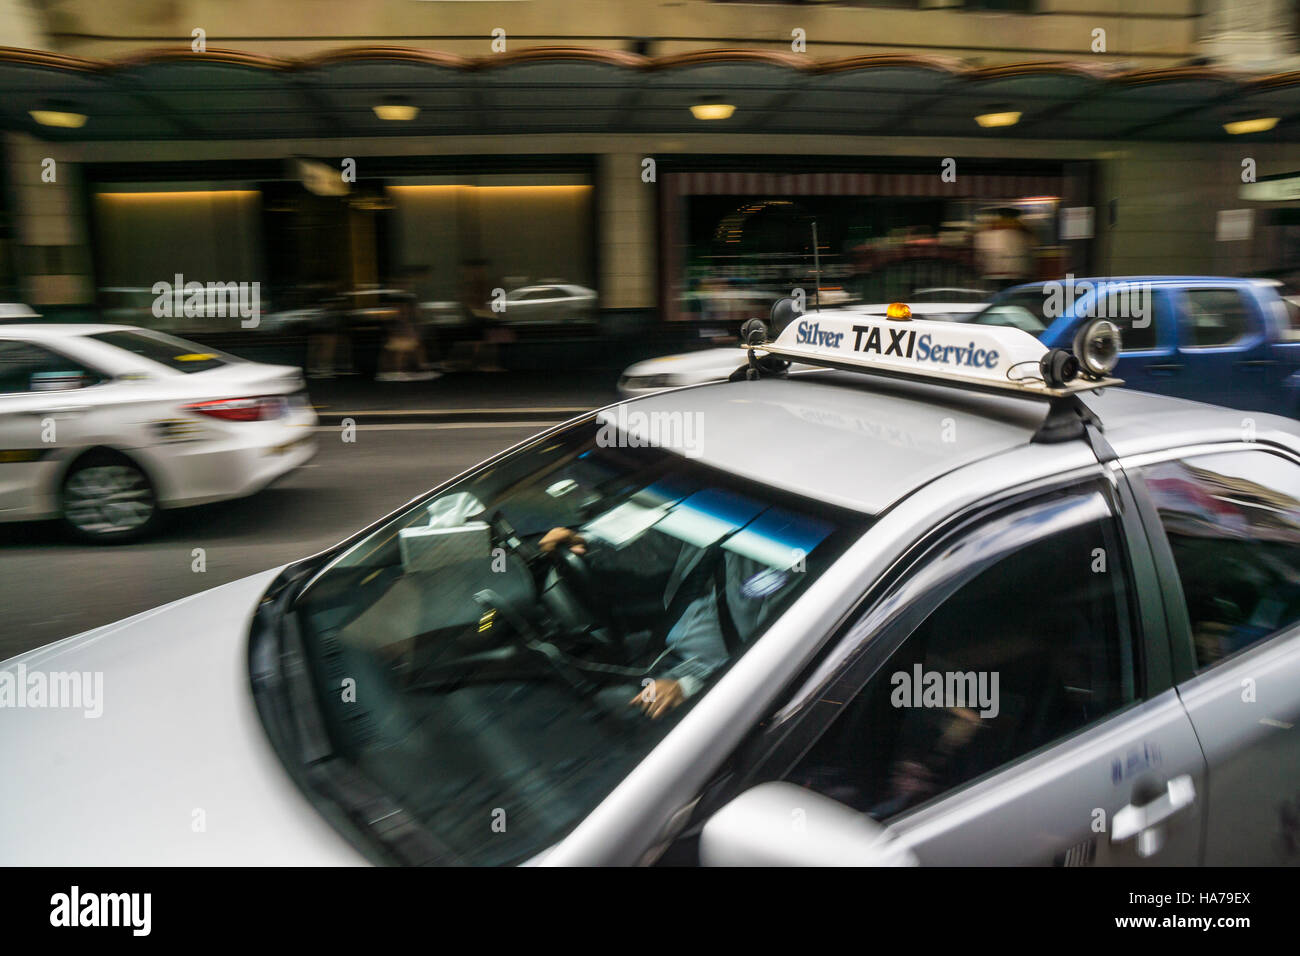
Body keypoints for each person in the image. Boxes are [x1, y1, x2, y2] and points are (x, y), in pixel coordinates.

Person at [538, 525, 790, 719]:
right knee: (561, 668)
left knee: (604, 706)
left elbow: (780, 652)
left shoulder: (789, 563)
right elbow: (649, 544)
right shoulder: (709, 517)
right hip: (660, 647)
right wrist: (586, 544)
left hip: (710, 677)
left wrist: (689, 686)